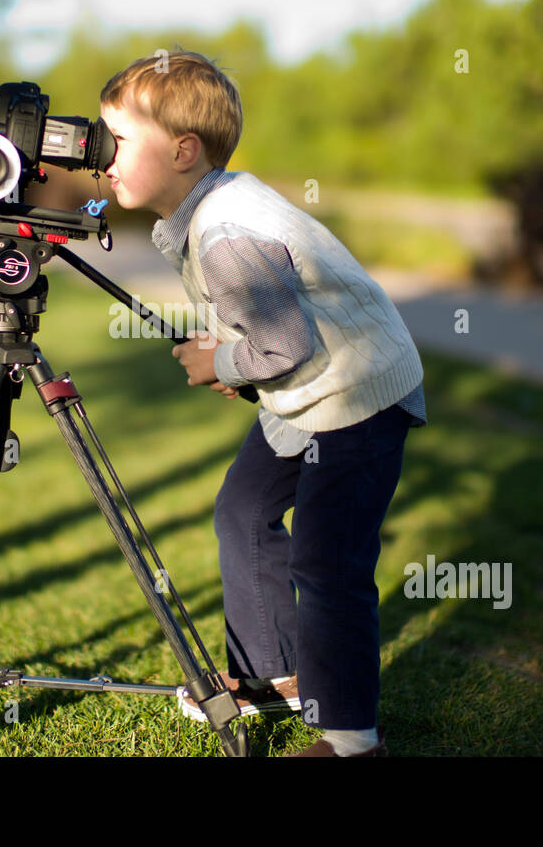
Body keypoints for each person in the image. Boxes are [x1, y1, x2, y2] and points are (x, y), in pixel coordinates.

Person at [99, 50, 426, 758]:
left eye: (118, 141)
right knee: (244, 510)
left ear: (184, 150)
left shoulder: (223, 229)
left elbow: (285, 344)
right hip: (306, 390)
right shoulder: (208, 206)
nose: (104, 157)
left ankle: (350, 738)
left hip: (356, 392)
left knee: (328, 560)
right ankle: (273, 671)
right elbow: (271, 332)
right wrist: (236, 359)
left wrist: (222, 360)